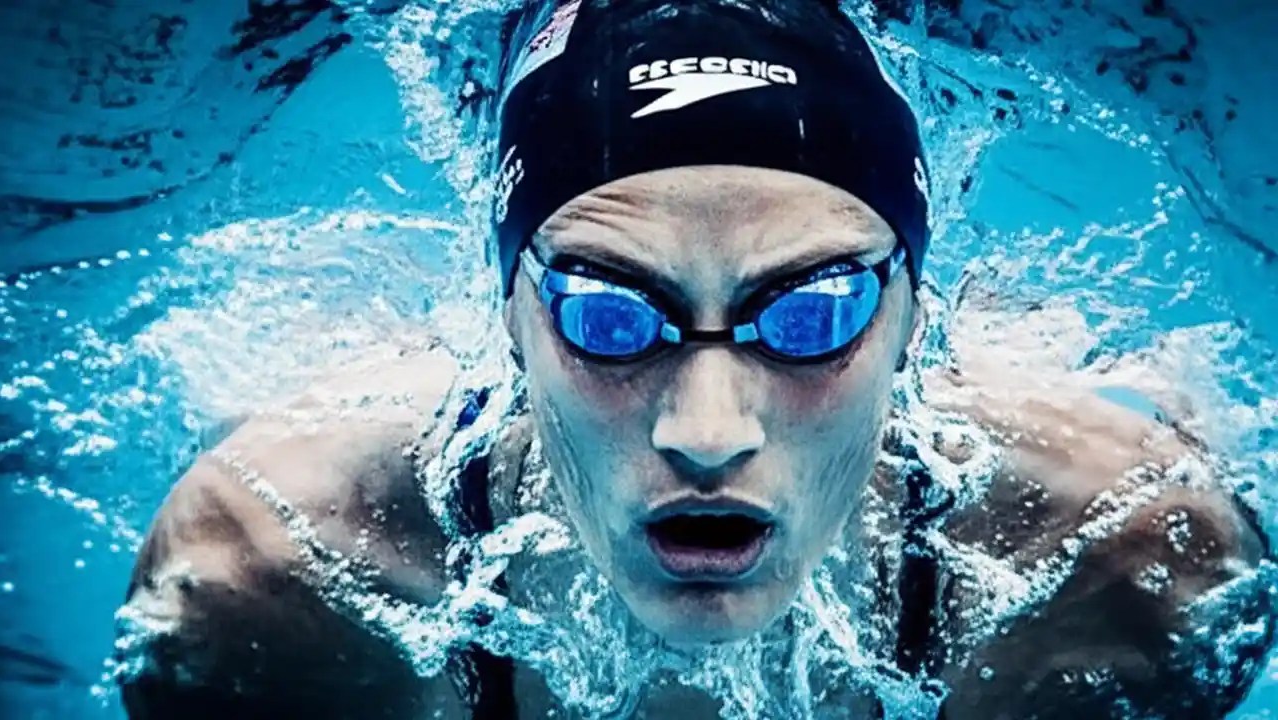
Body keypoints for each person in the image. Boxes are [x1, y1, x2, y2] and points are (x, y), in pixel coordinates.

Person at [116, 0, 1274, 718]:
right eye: (607, 318)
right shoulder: (272, 581)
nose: (707, 430)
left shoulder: (1124, 563)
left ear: (912, 320)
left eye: (811, 315)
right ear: (506, 320)